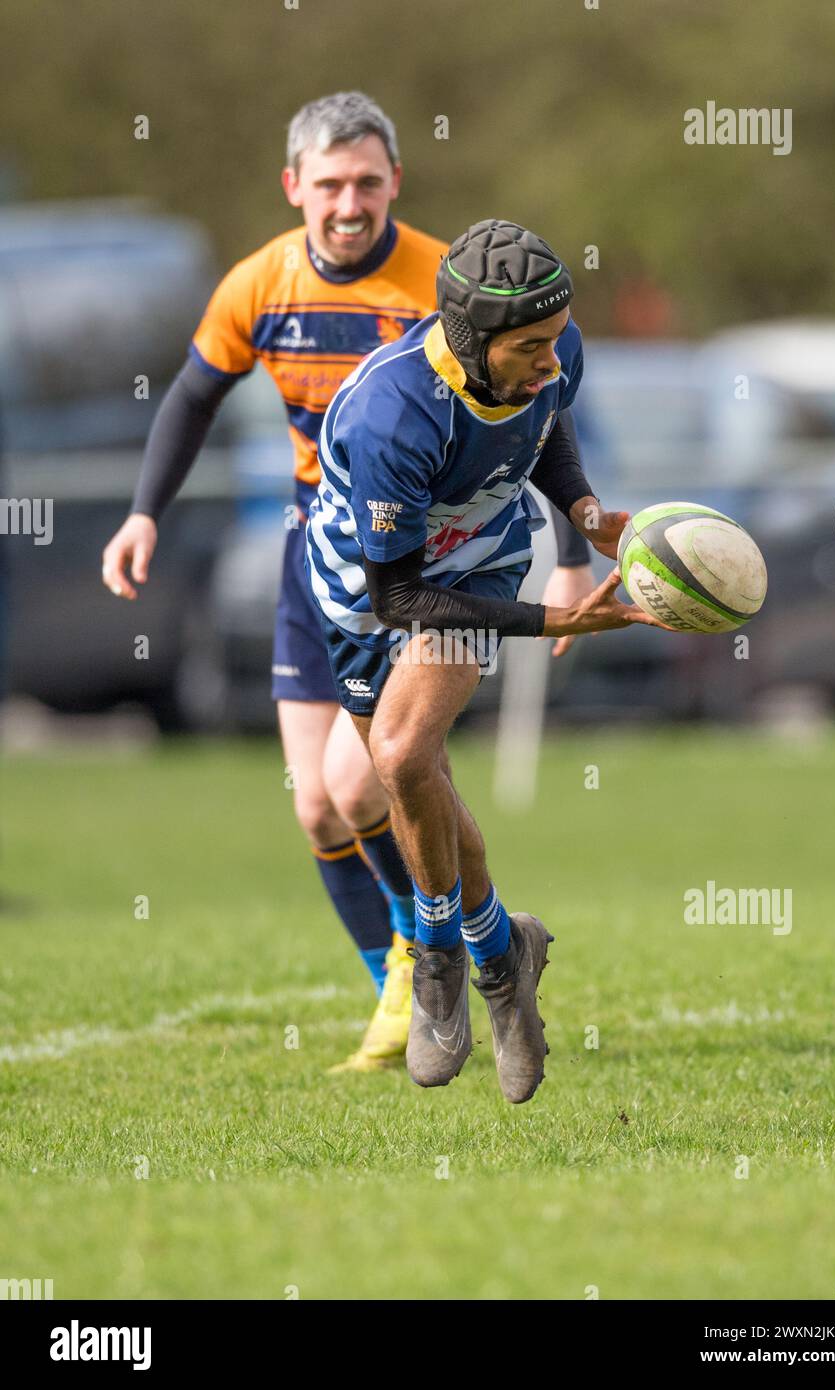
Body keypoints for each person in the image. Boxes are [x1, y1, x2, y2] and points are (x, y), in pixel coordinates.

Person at [100, 96, 596, 1074]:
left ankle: (435, 967)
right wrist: (144, 509)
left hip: (437, 555)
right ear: (295, 188)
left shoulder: (462, 283)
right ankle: (432, 975)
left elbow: (531, 407)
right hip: (321, 552)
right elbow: (195, 395)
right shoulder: (262, 281)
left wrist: (573, 537)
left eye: (367, 181)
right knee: (323, 804)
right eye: (328, 183)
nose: (348, 202)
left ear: (394, 183)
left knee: (380, 765)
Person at [306, 218, 665, 1103]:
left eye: (555, 340)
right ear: (468, 341)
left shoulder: (554, 347)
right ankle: (504, 953)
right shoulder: (393, 414)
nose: (551, 360)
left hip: (478, 564)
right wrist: (555, 623)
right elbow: (395, 599)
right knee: (414, 773)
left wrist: (582, 511)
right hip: (367, 591)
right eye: (528, 348)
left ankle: (439, 957)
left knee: (397, 753)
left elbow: (545, 426)